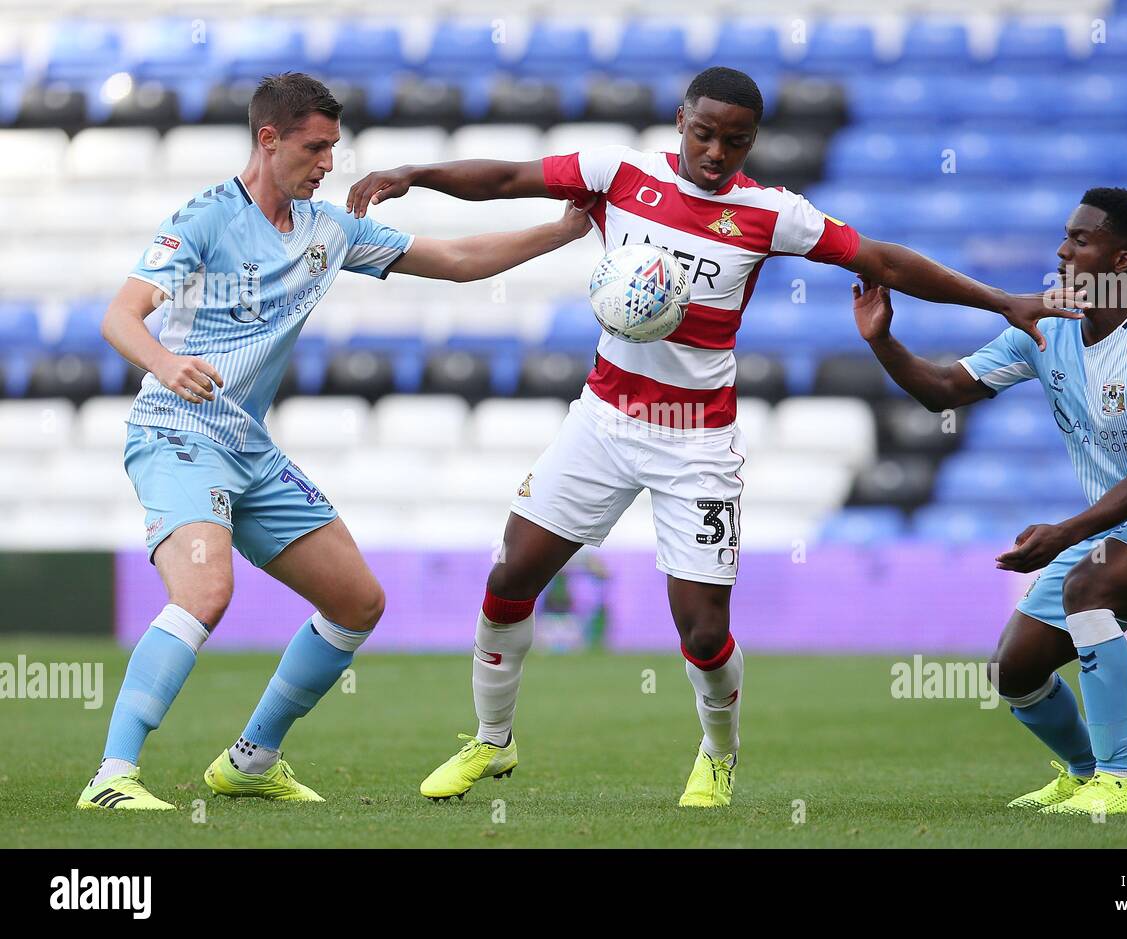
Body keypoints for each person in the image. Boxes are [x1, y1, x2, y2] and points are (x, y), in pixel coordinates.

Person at [347, 66, 1082, 808]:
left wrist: (1002, 300)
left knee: (701, 631)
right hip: (601, 420)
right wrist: (415, 172)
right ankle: (492, 740)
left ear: (752, 141)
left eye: (735, 140)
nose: (716, 152)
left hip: (695, 442)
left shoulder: (771, 214)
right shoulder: (620, 172)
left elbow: (882, 260)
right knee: (509, 581)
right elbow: (508, 176)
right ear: (679, 121)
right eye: (704, 133)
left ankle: (718, 753)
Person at [80, 72, 592, 810]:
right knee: (206, 590)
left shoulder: (329, 230)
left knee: (357, 601)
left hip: (248, 447)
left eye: (333, 149)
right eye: (315, 149)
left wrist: (559, 231)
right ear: (268, 139)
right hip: (177, 431)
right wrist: (166, 361)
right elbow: (121, 316)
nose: (327, 164)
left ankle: (252, 758)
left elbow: (452, 262)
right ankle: (112, 776)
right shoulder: (202, 219)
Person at [851, 187, 1127, 816]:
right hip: (1118, 529)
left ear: (1121, 261)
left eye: (1081, 240)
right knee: (1015, 671)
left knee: (1092, 587)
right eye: (1067, 234)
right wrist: (882, 341)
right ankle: (1084, 776)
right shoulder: (1045, 325)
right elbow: (944, 391)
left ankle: (1119, 783)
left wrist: (1063, 533)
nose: (1062, 249)